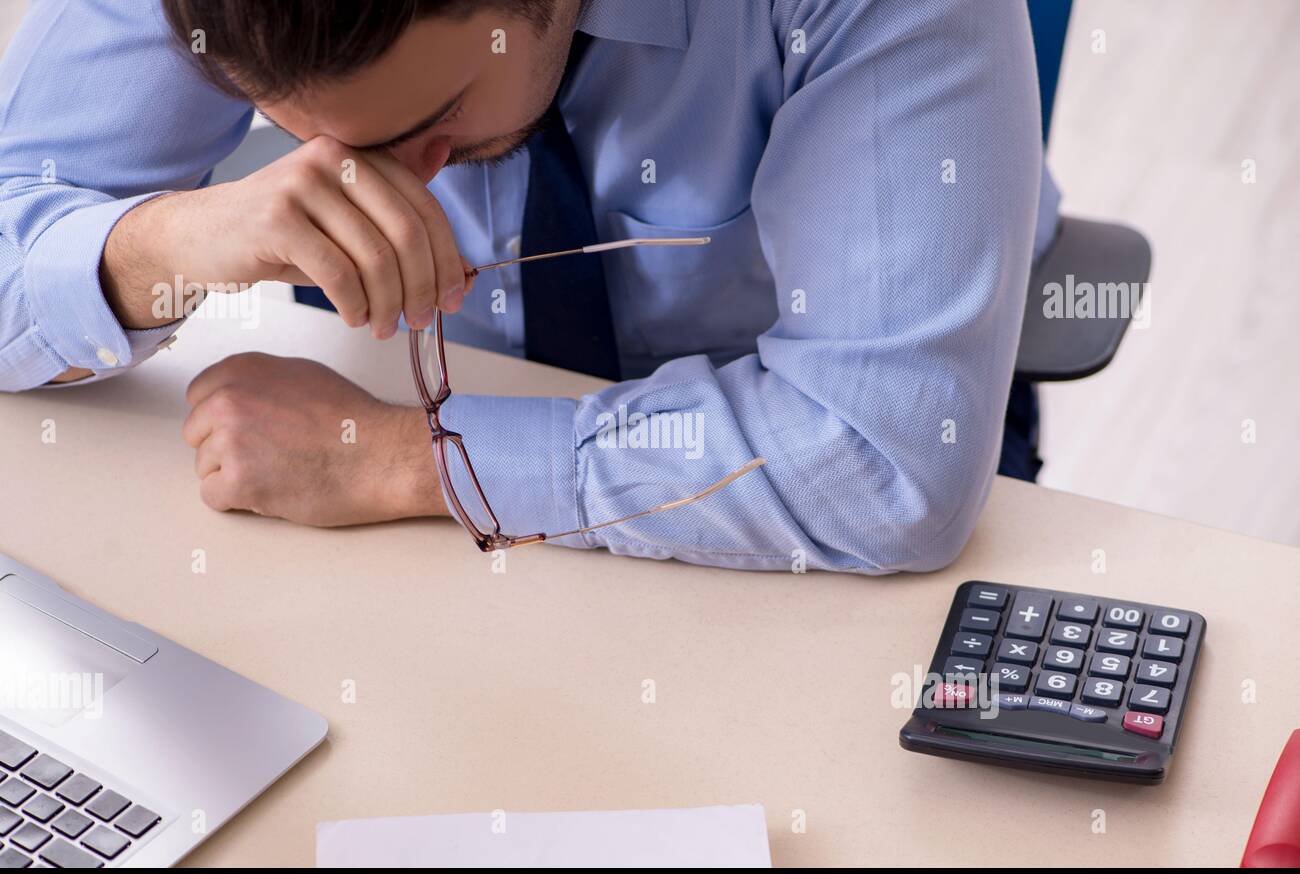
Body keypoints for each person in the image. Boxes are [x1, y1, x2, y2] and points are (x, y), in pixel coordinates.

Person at [0, 0, 1059, 572]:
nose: (377, 177)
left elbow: (884, 458)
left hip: (802, 482)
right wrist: (160, 245)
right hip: (405, 500)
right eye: (303, 135)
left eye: (434, 120)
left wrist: (414, 462)